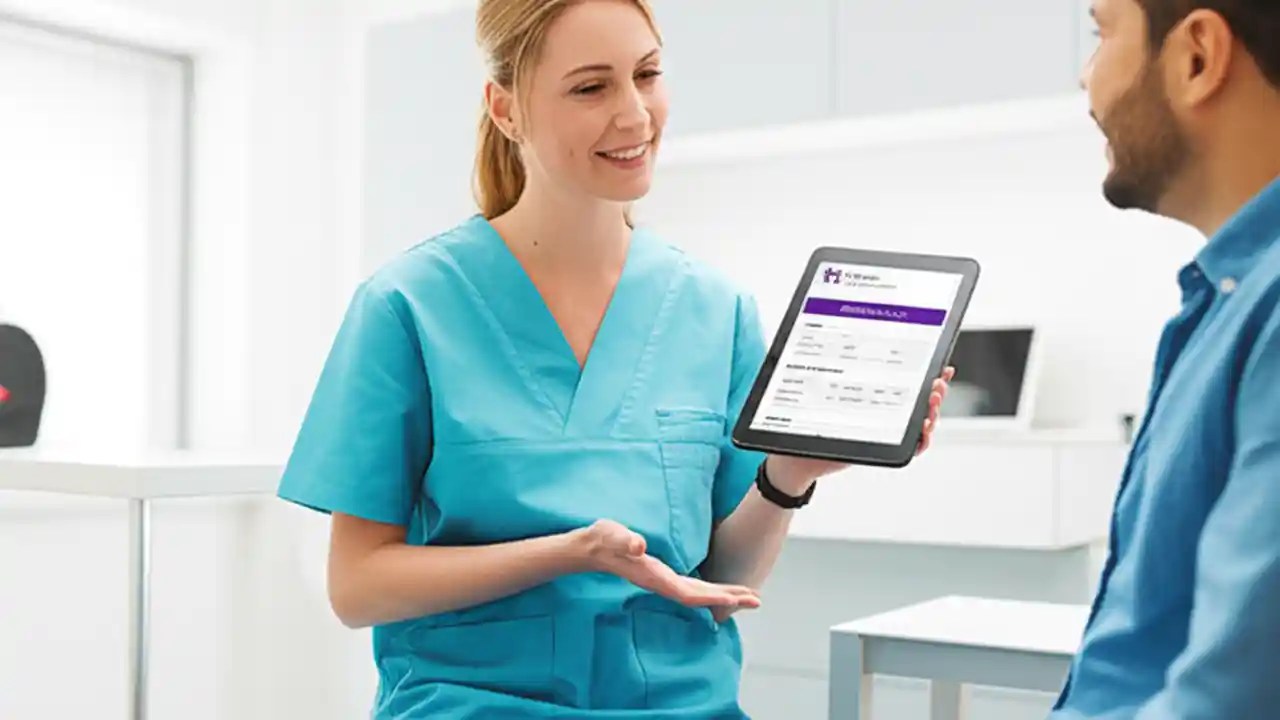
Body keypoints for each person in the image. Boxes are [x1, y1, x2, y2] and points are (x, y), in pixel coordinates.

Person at [277, 0, 952, 717]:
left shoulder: (714, 309)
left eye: (648, 74)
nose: (635, 115)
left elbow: (724, 578)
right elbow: (356, 588)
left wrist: (791, 474)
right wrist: (570, 553)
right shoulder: (407, 307)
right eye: (590, 87)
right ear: (506, 111)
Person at [1052, 1, 1280, 717]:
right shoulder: (1228, 299)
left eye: (1102, 35)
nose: (1086, 80)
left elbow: (1230, 698)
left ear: (1197, 57)